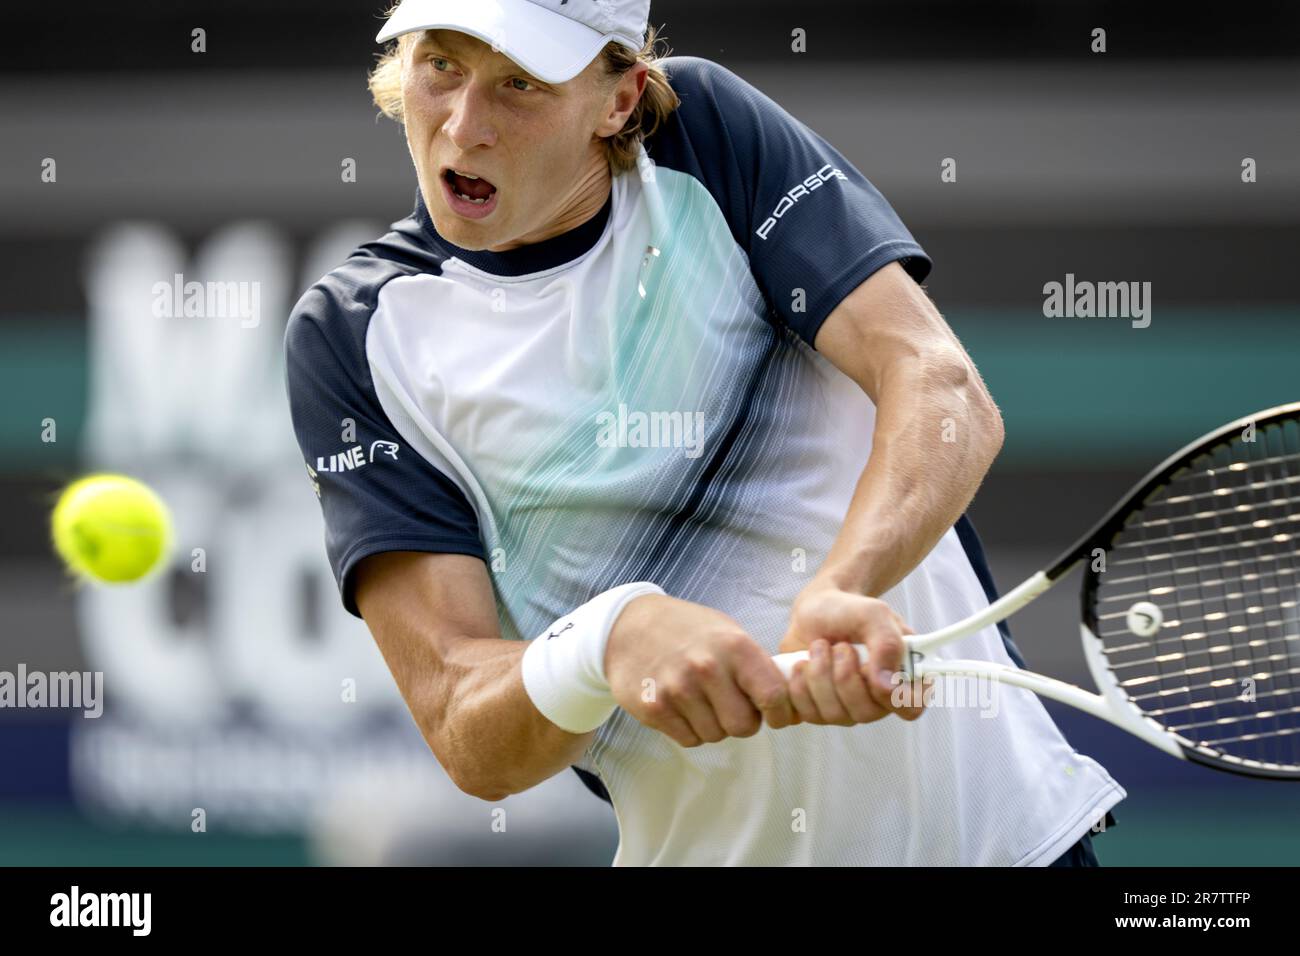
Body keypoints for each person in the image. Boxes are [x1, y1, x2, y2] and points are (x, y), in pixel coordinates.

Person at [285, 0, 1124, 865]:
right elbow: (468, 734)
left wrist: (842, 587)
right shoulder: (354, 333)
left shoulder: (701, 138)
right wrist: (607, 640)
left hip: (1009, 846)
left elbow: (939, 384)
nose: (464, 125)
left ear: (618, 102)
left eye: (520, 84)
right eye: (442, 67)